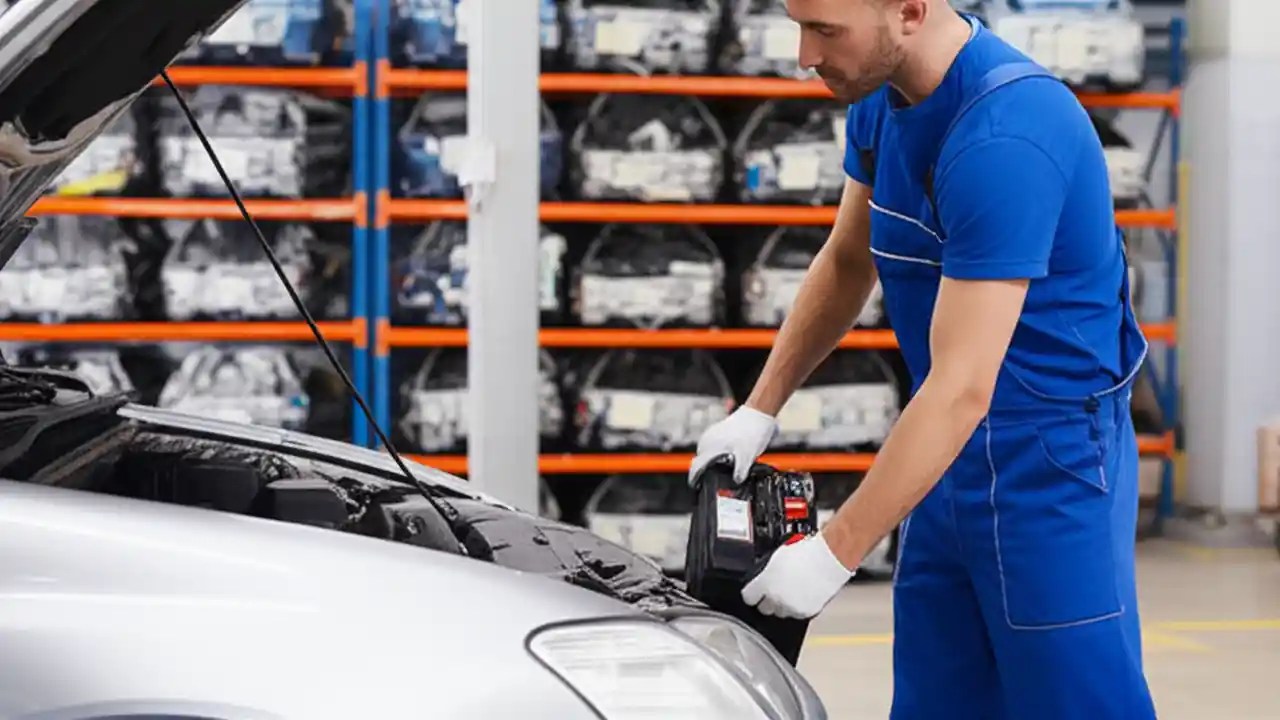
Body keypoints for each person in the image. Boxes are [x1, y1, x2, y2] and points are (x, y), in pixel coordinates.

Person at [687, 1, 1157, 718]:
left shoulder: (1007, 135)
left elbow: (965, 387)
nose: (804, 55)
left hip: (1049, 468)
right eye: (798, 25)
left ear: (908, 11)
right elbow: (848, 261)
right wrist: (760, 405)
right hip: (939, 456)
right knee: (940, 700)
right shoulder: (883, 99)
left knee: (1075, 701)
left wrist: (834, 551)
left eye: (824, 31)